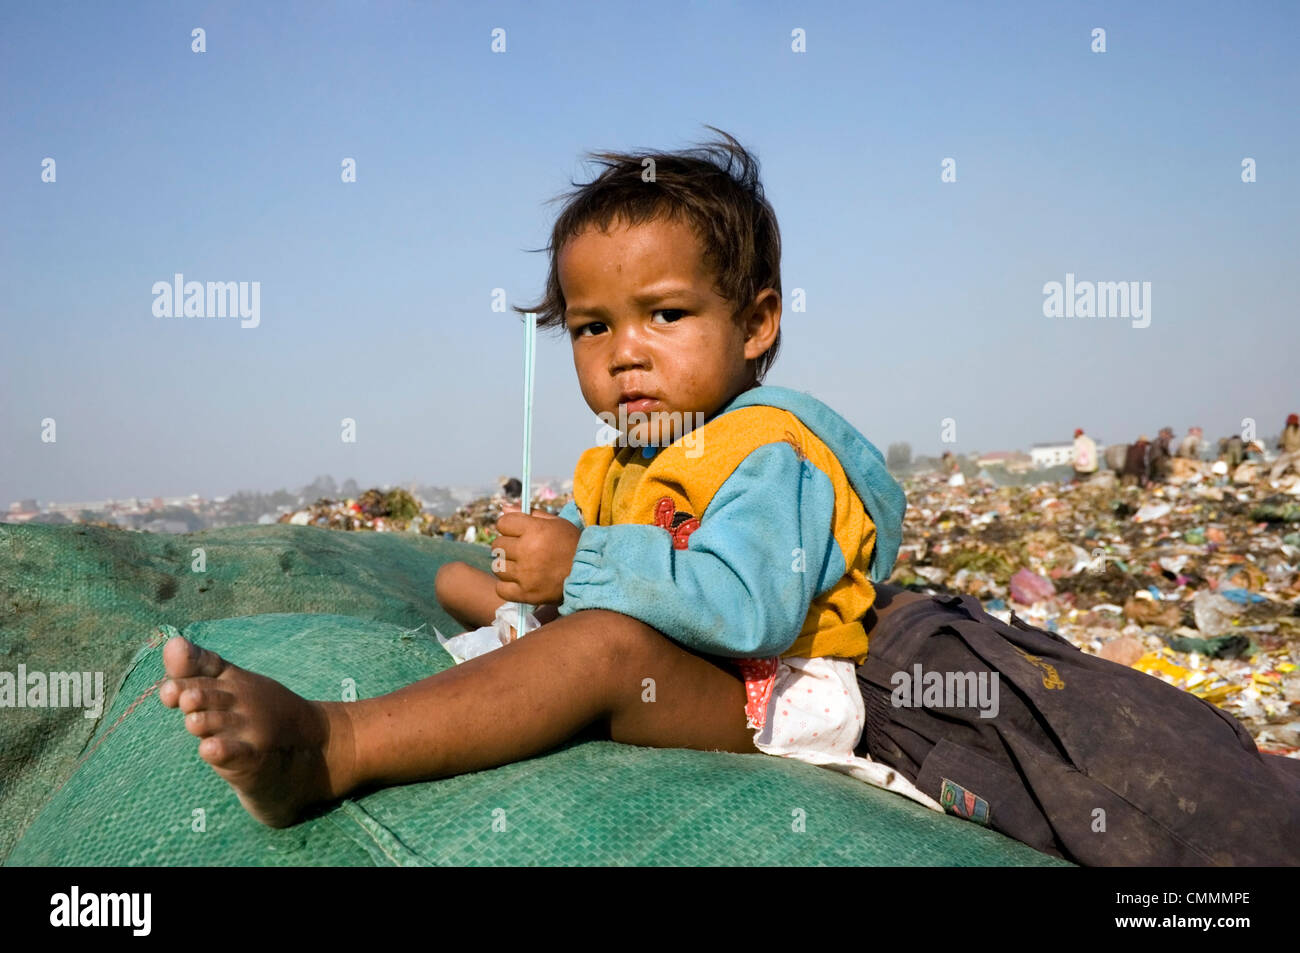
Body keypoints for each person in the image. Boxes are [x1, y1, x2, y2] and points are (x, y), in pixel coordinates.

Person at [155, 129, 1300, 865]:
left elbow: (746, 606)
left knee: (595, 648)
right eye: (592, 328)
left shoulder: (763, 450)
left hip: (787, 683)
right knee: (497, 595)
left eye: (665, 315)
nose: (625, 356)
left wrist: (581, 572)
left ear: (754, 324)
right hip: (693, 667)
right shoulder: (619, 463)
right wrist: (528, 586)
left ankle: (332, 745)